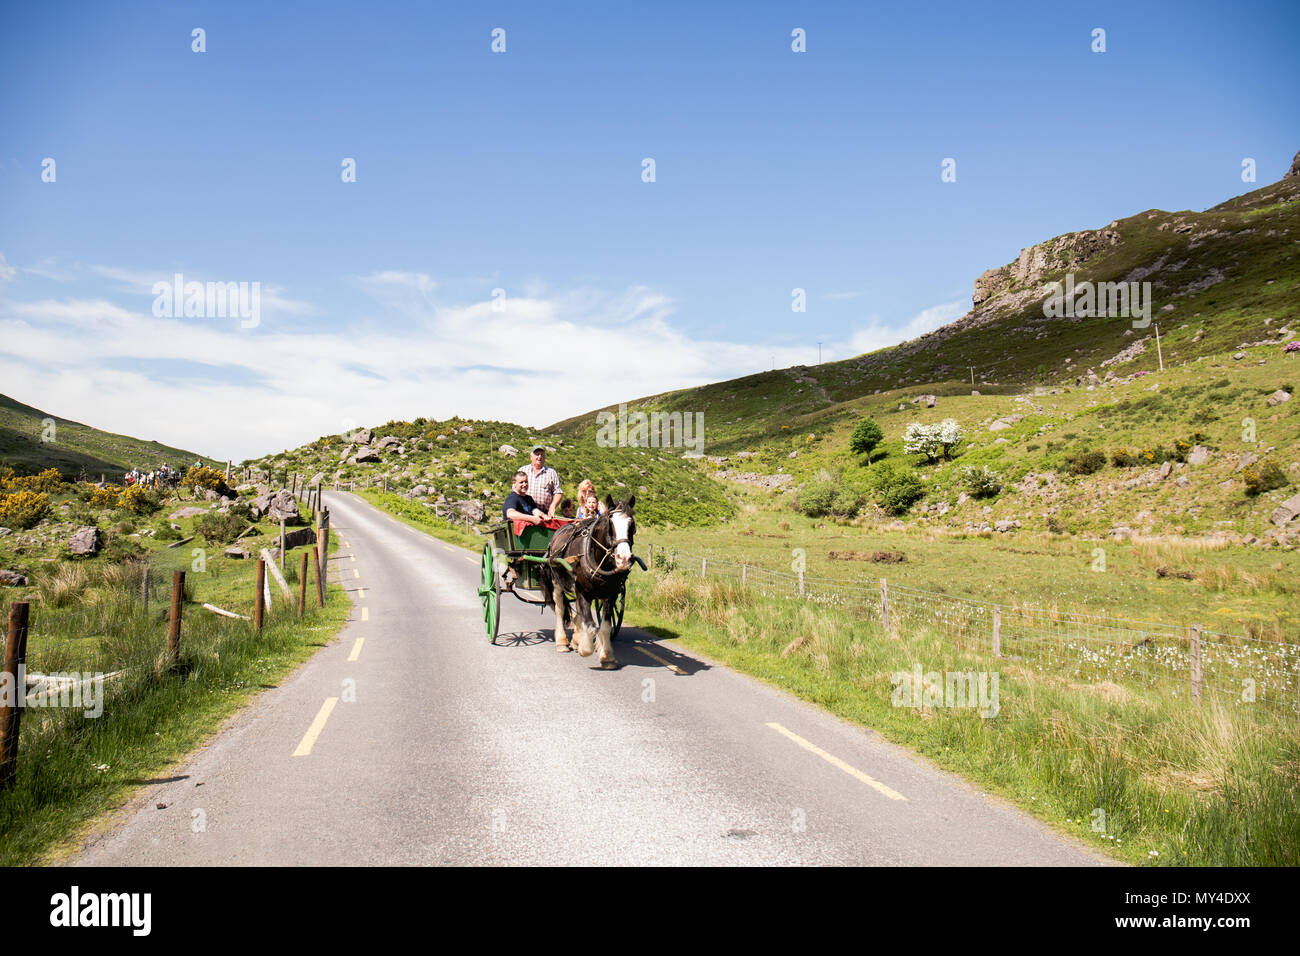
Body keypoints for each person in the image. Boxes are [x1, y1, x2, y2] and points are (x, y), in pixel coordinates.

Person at [525, 444, 562, 518]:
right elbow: (515, 491)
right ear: (531, 457)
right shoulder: (523, 470)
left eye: (542, 455)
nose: (539, 457)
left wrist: (553, 506)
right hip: (526, 513)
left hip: (544, 514)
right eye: (537, 454)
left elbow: (558, 492)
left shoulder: (551, 472)